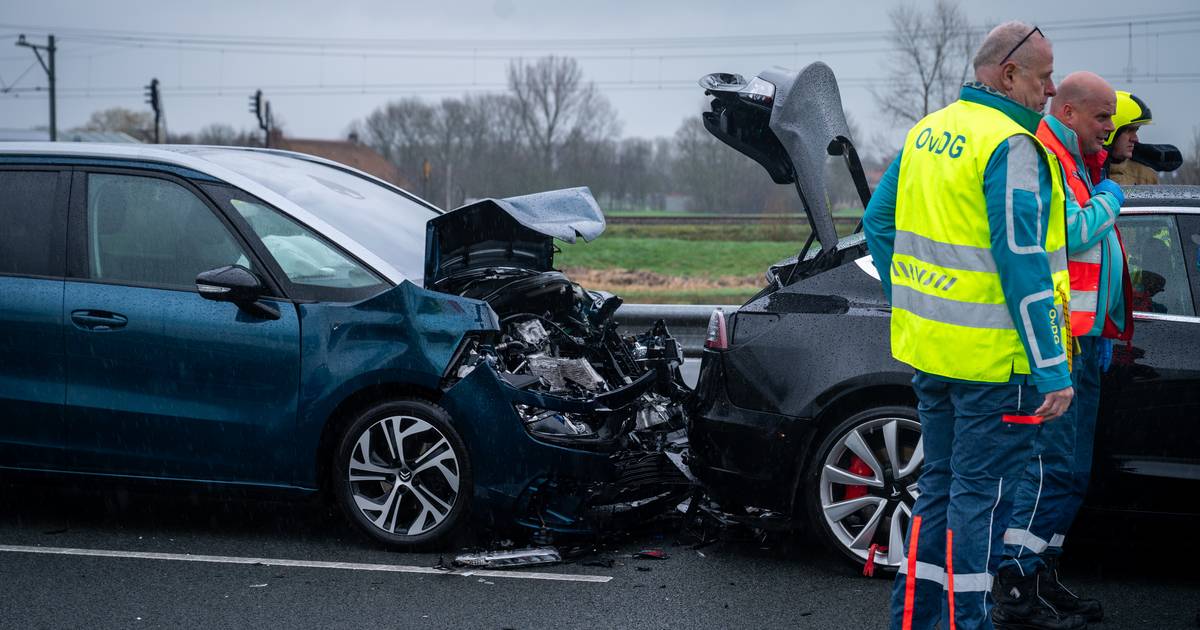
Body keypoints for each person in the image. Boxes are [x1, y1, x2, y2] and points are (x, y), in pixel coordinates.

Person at [863, 22, 1080, 630]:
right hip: (995, 364)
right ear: (1008, 75)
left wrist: (916, 299)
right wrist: (1053, 368)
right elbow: (1024, 266)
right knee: (980, 505)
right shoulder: (1011, 145)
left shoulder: (927, 132)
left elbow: (878, 225)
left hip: (931, 354)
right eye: (1043, 77)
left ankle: (916, 620)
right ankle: (966, 623)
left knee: (937, 491)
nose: (1050, 89)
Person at [996, 71, 1133, 628]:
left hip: (1083, 338)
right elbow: (1075, 232)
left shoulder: (1076, 160)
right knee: (1051, 469)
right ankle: (1016, 586)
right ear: (1072, 114)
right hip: (1059, 342)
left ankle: (1040, 574)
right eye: (1103, 117)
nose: (1110, 128)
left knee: (1069, 472)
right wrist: (1112, 198)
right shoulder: (1048, 159)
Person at [1106, 91, 1157, 185]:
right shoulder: (1085, 174)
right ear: (1111, 132)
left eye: (1136, 130)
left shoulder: (1146, 177)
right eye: (1129, 131)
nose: (1135, 139)